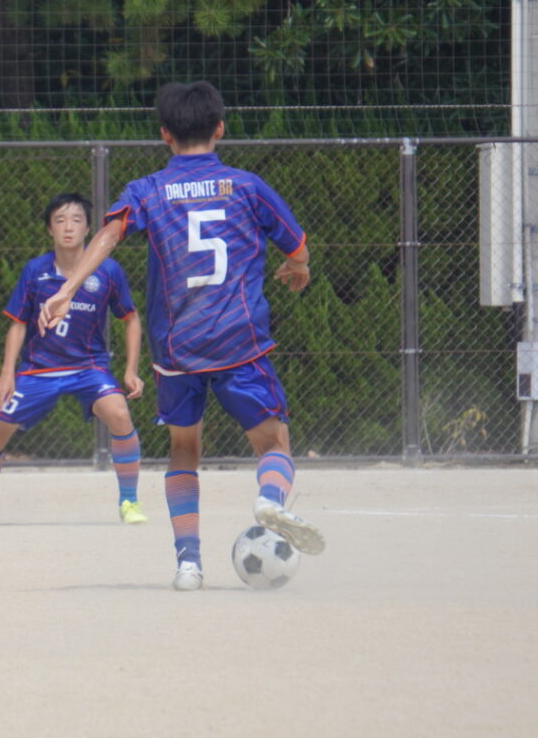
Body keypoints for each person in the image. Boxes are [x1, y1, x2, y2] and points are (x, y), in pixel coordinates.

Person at [39, 81, 325, 591]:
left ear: (164, 135)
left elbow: (109, 234)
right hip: (239, 342)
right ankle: (269, 499)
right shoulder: (247, 187)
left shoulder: (148, 190)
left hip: (177, 348)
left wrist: (67, 287)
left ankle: (188, 565)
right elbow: (297, 246)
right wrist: (298, 266)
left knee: (184, 450)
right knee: (272, 441)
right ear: (220, 128)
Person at [0, 192, 148, 528]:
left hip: (88, 368)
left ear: (88, 229)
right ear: (49, 229)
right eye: (60, 220)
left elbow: (131, 319)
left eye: (76, 220)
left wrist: (131, 370)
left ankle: (129, 501)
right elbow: (17, 324)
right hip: (38, 370)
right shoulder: (35, 271)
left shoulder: (107, 270)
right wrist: (6, 374)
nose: (68, 227)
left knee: (118, 413)